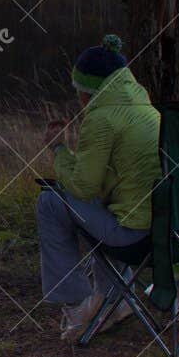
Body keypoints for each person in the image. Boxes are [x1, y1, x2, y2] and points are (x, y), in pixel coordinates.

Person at [36, 33, 161, 341]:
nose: (78, 99)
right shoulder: (146, 109)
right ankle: (114, 300)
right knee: (103, 207)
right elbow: (108, 179)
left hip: (136, 235)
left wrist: (59, 150)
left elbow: (81, 186)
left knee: (50, 203)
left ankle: (78, 306)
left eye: (79, 91)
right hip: (170, 229)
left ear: (88, 91)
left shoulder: (101, 118)